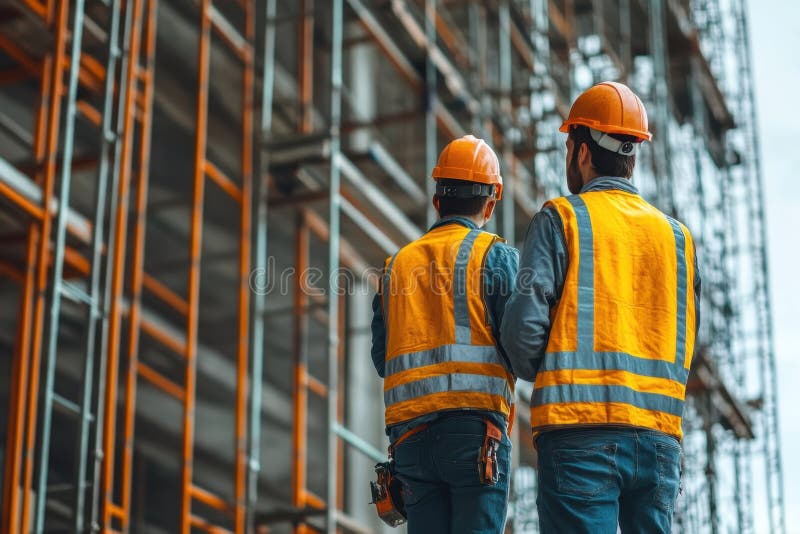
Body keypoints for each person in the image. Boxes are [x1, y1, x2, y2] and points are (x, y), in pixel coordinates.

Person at [500, 81, 701, 534]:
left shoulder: (561, 219)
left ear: (583, 151)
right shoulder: (677, 239)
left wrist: (544, 368)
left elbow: (522, 333)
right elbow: (686, 340)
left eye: (569, 145)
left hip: (578, 432)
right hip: (659, 440)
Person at [371, 135, 519, 533]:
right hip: (476, 436)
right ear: (491, 202)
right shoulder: (495, 256)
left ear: (437, 200)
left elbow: (382, 357)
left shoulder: (396, 266)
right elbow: (522, 344)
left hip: (410, 442)